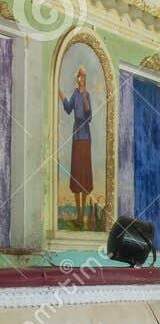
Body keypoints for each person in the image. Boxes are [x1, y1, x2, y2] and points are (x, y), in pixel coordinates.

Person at [59, 66, 95, 229]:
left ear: (85, 79)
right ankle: (79, 216)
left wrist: (85, 97)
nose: (82, 78)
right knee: (76, 176)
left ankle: (82, 217)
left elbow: (89, 116)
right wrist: (60, 94)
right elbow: (67, 109)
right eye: (80, 76)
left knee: (85, 176)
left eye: (84, 76)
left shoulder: (86, 95)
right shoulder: (75, 93)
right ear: (77, 78)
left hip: (85, 138)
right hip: (76, 138)